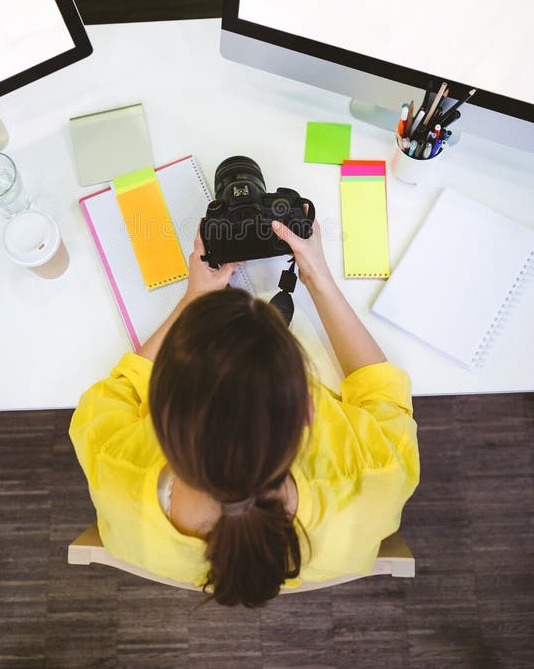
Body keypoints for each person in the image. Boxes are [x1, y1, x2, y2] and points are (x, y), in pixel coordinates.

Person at [70, 215, 419, 607]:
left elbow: (120, 389)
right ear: (307, 409)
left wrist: (194, 297)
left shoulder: (112, 462)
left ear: (160, 417)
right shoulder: (377, 473)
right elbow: (382, 392)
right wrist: (319, 279)